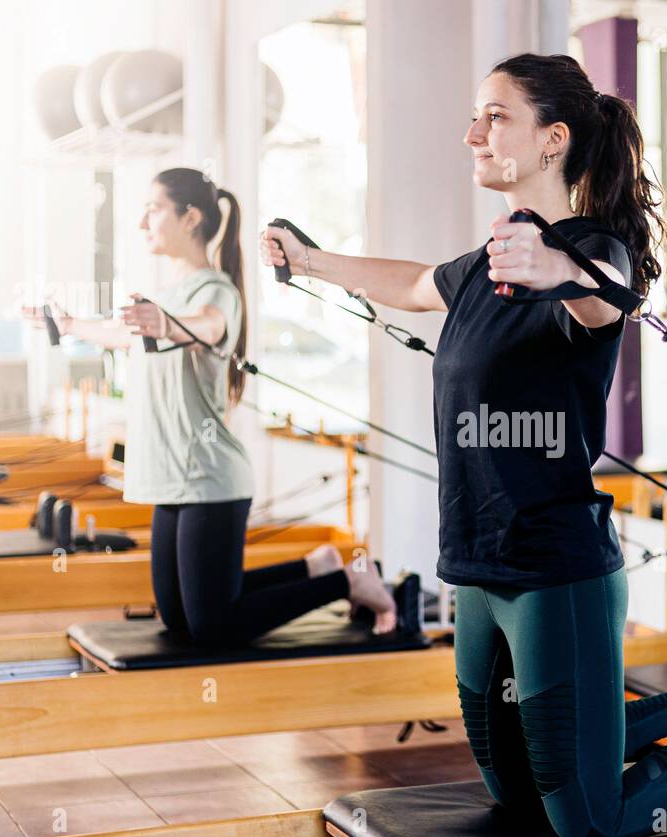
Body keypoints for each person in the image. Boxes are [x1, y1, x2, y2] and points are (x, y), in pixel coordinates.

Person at [262, 54, 667, 837]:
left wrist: (559, 266)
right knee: (513, 786)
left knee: (589, 821)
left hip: (555, 570)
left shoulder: (588, 254)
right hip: (476, 563)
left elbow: (610, 294)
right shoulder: (488, 264)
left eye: (494, 117)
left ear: (552, 140)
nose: (473, 134)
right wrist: (314, 259)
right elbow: (409, 282)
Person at [26, 167, 396, 645]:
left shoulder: (215, 289)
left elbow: (207, 325)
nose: (142, 222)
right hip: (171, 479)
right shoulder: (166, 295)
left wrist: (167, 324)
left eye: (153, 209)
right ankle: (315, 566)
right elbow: (123, 334)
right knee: (179, 618)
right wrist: (67, 322)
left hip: (209, 478)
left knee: (212, 625)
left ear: (190, 217)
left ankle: (347, 581)